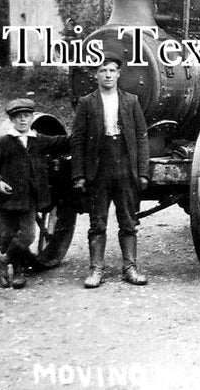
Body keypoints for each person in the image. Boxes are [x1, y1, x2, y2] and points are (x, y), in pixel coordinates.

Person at [71, 51, 150, 288]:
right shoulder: (86, 103)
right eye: (103, 70)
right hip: (99, 169)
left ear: (118, 74)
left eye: (111, 71)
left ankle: (130, 268)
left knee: (128, 221)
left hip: (125, 168)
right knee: (98, 223)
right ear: (96, 75)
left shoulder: (131, 101)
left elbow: (141, 137)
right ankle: (96, 270)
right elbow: (77, 140)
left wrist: (143, 171)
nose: (107, 74)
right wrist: (79, 174)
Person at [0, 99, 69, 289]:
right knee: (7, 237)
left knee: (27, 235)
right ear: (12, 120)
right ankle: (16, 271)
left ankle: (3, 261)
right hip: (7, 200)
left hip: (28, 200)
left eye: (26, 116)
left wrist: (83, 134)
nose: (22, 120)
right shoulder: (2, 143)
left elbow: (61, 142)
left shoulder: (38, 141)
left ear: (31, 119)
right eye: (18, 117)